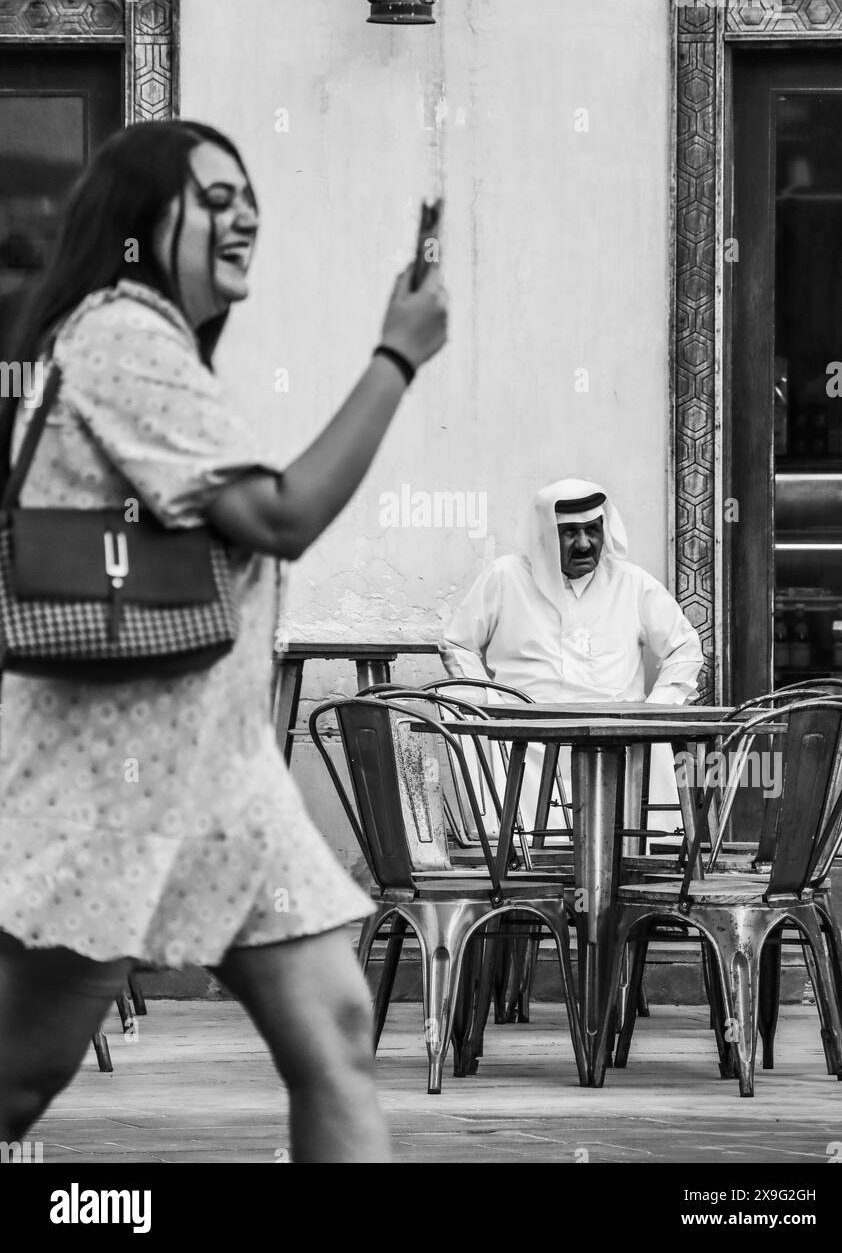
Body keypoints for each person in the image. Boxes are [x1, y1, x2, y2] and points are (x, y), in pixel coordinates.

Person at [0, 119, 447, 1163]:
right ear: (139, 222)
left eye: (250, 195)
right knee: (15, 1079)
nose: (243, 213)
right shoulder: (119, 336)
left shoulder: (161, 352)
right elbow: (278, 515)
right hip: (105, 789)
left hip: (222, 783)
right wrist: (396, 355)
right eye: (213, 196)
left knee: (335, 1028)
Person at [439, 478, 703, 829]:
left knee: (628, 820)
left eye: (593, 530)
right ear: (547, 535)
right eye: (569, 533)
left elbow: (684, 647)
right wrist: (487, 703)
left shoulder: (632, 583)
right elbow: (457, 644)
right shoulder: (507, 577)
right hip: (527, 740)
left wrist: (660, 707)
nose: (584, 544)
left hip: (617, 739)